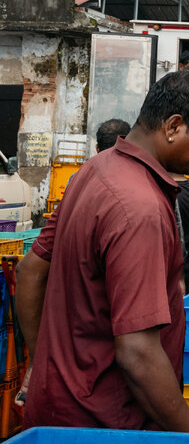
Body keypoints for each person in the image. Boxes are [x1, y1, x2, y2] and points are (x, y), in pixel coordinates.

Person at [22, 70, 189, 430]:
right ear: (173, 126)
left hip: (56, 408)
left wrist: (43, 363)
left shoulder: (94, 170)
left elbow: (30, 271)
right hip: (107, 426)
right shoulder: (139, 208)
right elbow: (138, 354)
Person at [14, 118, 133, 407]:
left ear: (95, 145)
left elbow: (27, 269)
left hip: (69, 330)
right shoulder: (132, 191)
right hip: (106, 356)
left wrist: (36, 359)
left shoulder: (80, 180)